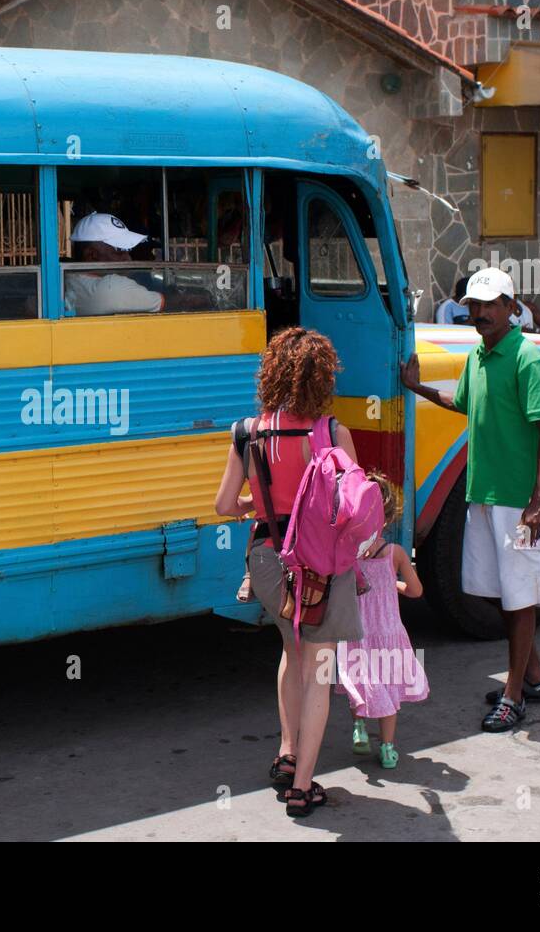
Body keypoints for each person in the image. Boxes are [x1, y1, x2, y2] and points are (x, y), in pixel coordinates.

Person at [402, 267, 540, 733]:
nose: (482, 313)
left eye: (492, 305)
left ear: (513, 308)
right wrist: (418, 388)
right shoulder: (477, 355)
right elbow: (465, 404)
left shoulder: (527, 358)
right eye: (475, 305)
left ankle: (515, 694)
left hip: (518, 499)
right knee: (493, 593)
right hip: (483, 493)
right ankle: (534, 676)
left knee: (519, 596)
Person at [214, 326, 362, 817]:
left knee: (290, 652)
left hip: (265, 561)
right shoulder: (331, 434)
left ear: (272, 375)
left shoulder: (246, 432)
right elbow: (353, 512)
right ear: (322, 377)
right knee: (319, 671)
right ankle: (301, 787)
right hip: (319, 567)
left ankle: (286, 751)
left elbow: (221, 505)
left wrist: (255, 505)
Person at [335, 473, 428, 769]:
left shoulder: (348, 554)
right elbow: (416, 591)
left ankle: (359, 728)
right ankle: (387, 748)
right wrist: (394, 585)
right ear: (387, 518)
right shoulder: (395, 554)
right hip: (387, 631)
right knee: (389, 690)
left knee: (358, 683)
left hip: (355, 631)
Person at [64, 213, 209, 315]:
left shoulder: (67, 281)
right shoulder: (112, 287)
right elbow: (178, 303)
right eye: (119, 250)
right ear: (91, 255)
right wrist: (204, 298)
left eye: (128, 250)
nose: (128, 257)